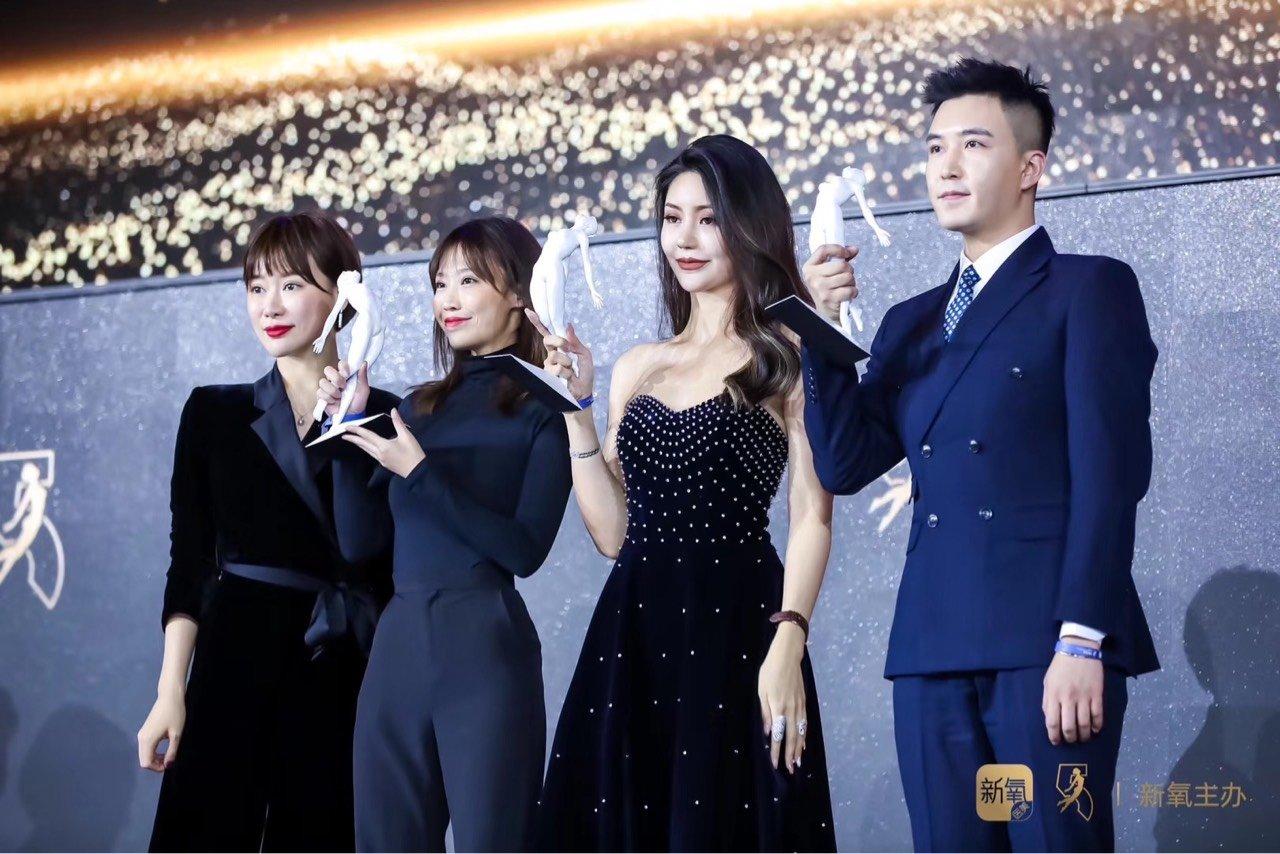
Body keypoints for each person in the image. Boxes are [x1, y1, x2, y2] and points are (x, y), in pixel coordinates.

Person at [800, 58, 1160, 851]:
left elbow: (1112, 476)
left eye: (973, 145)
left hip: (1045, 644)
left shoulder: (1088, 288)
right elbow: (844, 465)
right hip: (931, 644)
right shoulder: (909, 321)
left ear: (1031, 168)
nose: (946, 167)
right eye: (934, 149)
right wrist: (821, 334)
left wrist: (1082, 637)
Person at [533, 134, 837, 851]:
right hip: (633, 631)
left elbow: (811, 516)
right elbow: (614, 535)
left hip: (738, 624)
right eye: (673, 218)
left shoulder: (787, 356)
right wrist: (576, 410)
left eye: (708, 219)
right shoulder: (638, 366)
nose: (686, 239)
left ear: (748, 226)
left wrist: (790, 635)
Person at [138, 211, 399, 852]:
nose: (269, 306)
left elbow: (380, 560)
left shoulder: (391, 418)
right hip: (233, 659)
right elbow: (190, 564)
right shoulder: (214, 413)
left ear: (343, 294)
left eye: (290, 285)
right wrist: (170, 692)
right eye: (256, 287)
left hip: (339, 665)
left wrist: (350, 421)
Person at [322, 216, 572, 852]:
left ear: (518, 292)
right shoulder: (416, 407)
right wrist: (349, 427)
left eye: (468, 280)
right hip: (398, 645)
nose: (448, 300)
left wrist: (422, 474)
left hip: (485, 645)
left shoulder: (548, 406)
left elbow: (525, 550)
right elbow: (358, 544)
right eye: (439, 284)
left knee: (495, 841)